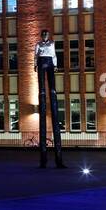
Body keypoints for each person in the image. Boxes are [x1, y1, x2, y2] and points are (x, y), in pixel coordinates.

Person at [34, 29, 65, 168]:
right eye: (44, 34)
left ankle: (52, 90)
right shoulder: (38, 44)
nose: (45, 36)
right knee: (42, 84)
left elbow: (54, 55)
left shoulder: (51, 44)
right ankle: (42, 91)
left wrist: (56, 64)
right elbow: (35, 55)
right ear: (42, 36)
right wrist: (35, 64)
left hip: (49, 62)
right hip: (41, 61)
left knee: (51, 84)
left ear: (49, 36)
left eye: (47, 34)